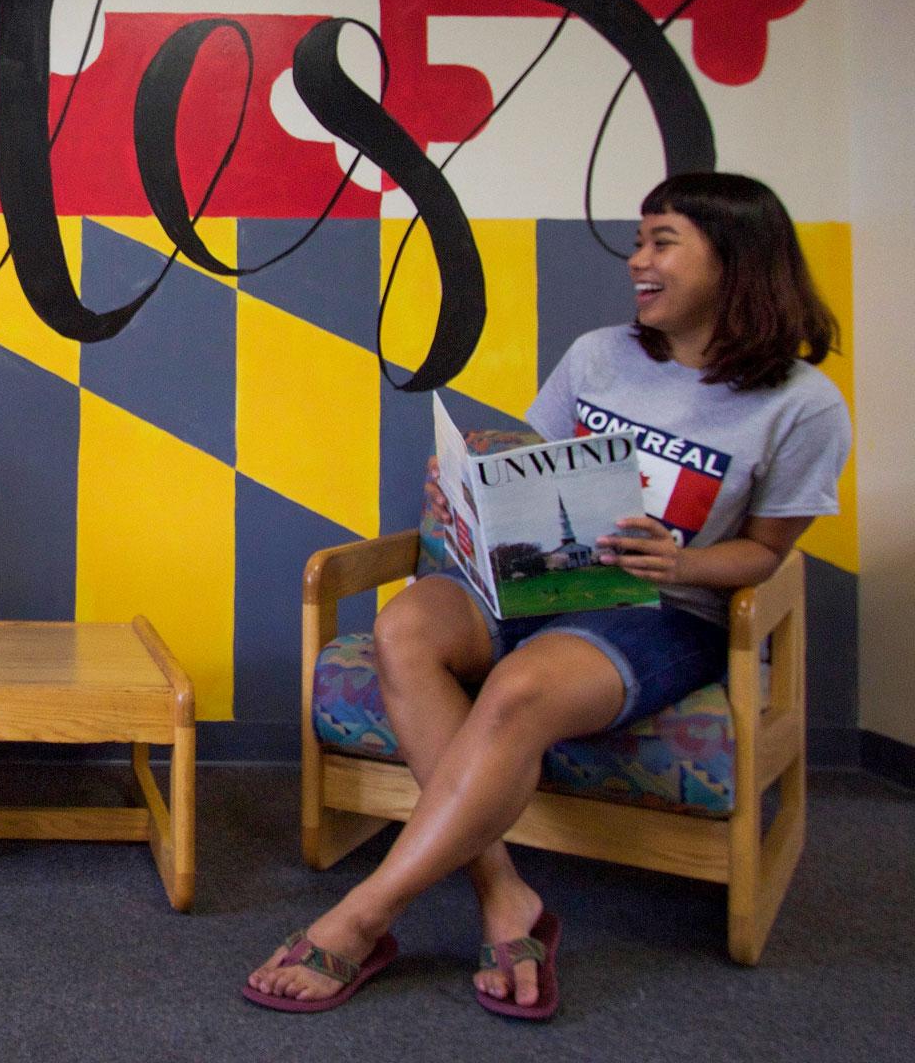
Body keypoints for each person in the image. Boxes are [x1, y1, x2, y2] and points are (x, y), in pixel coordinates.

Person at [245, 171, 850, 1017]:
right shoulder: (600, 355)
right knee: (405, 628)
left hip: (665, 613)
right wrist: (469, 497)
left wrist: (678, 564)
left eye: (662, 241)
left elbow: (767, 555)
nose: (638, 260)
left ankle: (363, 916)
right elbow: (536, 477)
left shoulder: (803, 406)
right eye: (640, 241)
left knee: (519, 690)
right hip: (541, 579)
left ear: (737, 259)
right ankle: (504, 893)